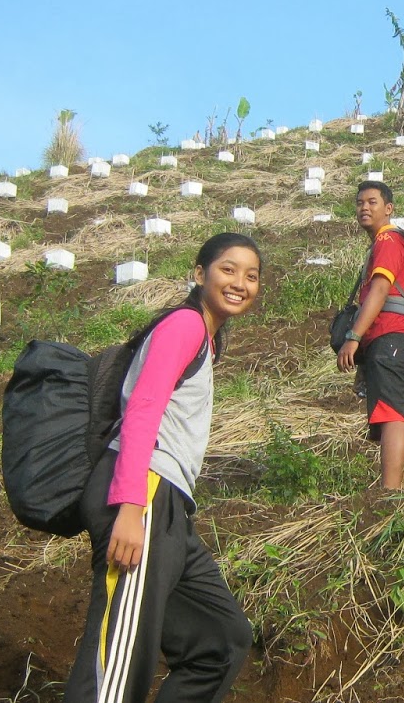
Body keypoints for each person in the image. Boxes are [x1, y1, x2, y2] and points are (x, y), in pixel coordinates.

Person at [66, 232, 260, 703]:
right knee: (116, 669)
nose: (240, 282)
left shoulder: (206, 338)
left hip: (168, 505)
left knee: (221, 639)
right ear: (200, 274)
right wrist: (132, 506)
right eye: (227, 269)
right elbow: (144, 407)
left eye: (251, 276)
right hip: (144, 494)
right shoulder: (186, 326)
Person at [335, 180, 404, 489]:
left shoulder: (388, 241)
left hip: (392, 337)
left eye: (372, 202)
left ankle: (390, 495)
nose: (364, 208)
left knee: (391, 415)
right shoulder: (386, 242)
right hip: (390, 342)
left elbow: (381, 289)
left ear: (388, 209)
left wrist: (353, 336)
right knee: (391, 416)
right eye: (359, 202)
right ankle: (400, 493)